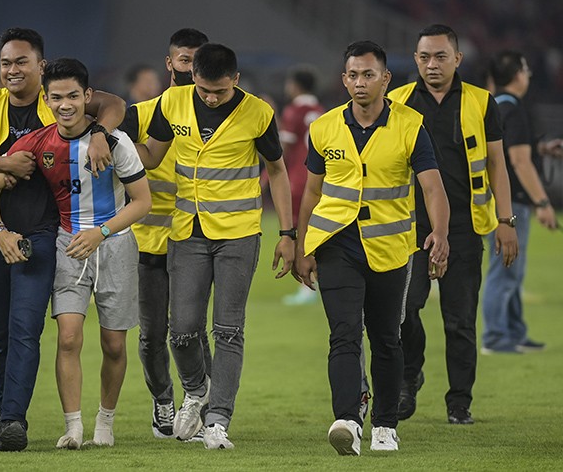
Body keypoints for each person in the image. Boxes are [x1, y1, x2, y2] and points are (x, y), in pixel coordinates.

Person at [0, 27, 125, 450]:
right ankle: (4, 416)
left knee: (24, 328)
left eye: (21, 62)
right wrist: (6, 164)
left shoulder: (57, 103)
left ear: (40, 67)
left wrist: (99, 133)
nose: (12, 70)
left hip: (44, 234)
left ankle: (14, 420)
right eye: (6, 62)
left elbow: (115, 105)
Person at [0, 58, 151, 449]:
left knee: (114, 345)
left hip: (114, 244)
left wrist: (101, 233)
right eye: (56, 97)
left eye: (73, 96)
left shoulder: (115, 142)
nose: (65, 104)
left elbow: (143, 202)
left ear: (87, 96)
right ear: (46, 99)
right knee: (69, 337)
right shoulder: (37, 143)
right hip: (67, 244)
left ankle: (105, 423)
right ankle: (73, 428)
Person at [135, 43, 295, 450]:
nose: (210, 97)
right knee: (181, 331)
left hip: (239, 234)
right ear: (192, 77)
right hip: (187, 232)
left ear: (236, 80)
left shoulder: (258, 113)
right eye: (204, 89)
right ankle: (197, 389)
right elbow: (150, 156)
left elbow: (277, 171)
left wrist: (287, 233)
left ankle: (218, 420)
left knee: (228, 330)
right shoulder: (171, 103)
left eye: (220, 91)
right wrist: (106, 139)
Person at [295, 41, 449, 455]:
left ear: (386, 79)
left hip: (390, 247)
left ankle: (384, 425)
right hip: (336, 244)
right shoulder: (324, 127)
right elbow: (311, 193)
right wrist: (302, 246)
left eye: (368, 75)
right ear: (343, 80)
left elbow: (433, 188)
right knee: (344, 334)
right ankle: (347, 420)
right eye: (353, 75)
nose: (360, 82)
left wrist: (440, 232)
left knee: (386, 338)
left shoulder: (410, 126)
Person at [388, 24, 518, 425]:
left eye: (441, 56)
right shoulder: (396, 102)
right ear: (415, 59)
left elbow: (497, 163)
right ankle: (410, 376)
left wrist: (505, 220)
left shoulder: (481, 102)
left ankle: (459, 403)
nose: (432, 64)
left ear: (457, 59)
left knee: (460, 320)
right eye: (425, 57)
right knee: (405, 310)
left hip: (464, 226)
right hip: (410, 227)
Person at [119, 27, 213, 441]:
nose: (190, 67)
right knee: (152, 335)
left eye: (197, 60)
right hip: (146, 244)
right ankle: (163, 401)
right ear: (169, 62)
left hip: (193, 241)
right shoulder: (141, 115)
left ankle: (202, 409)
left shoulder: (216, 116)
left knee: (191, 331)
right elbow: (104, 131)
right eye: (184, 59)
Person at [481, 51, 557, 354]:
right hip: (510, 204)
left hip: (495, 200)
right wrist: (542, 203)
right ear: (517, 74)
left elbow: (509, 150)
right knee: (506, 270)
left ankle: (513, 331)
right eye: (525, 69)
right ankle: (496, 337)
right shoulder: (513, 109)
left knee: (510, 268)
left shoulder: (495, 106)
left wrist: (541, 148)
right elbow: (519, 161)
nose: (528, 75)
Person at [279, 65, 324, 306]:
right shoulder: (321, 111)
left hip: (299, 179)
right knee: (319, 230)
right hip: (320, 177)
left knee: (299, 231)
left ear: (295, 85)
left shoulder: (294, 111)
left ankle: (306, 286)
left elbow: (283, 150)